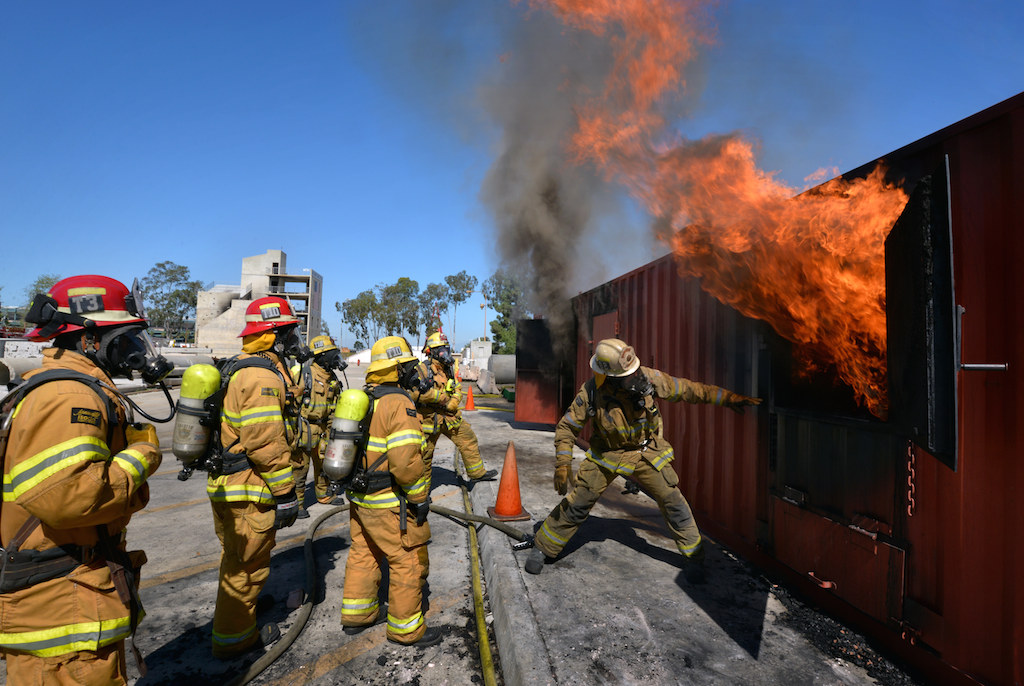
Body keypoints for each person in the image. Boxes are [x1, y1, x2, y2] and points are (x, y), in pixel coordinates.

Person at [0, 275, 169, 685]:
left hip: (70, 589)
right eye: (125, 338)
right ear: (90, 339)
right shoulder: (71, 397)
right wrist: (143, 455)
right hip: (62, 605)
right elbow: (69, 498)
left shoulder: (76, 389)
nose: (135, 348)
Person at [525, 338, 761, 582]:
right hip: (606, 454)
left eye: (634, 370)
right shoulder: (592, 391)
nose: (635, 376)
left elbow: (688, 389)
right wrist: (563, 463)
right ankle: (543, 547)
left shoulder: (649, 378)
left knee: (673, 501)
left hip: (644, 451)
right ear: (609, 376)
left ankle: (694, 558)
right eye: (627, 374)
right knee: (578, 503)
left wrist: (728, 398)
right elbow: (567, 427)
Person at [206, 296, 303, 659]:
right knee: (246, 567)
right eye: (289, 333)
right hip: (248, 487)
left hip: (228, 485)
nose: (294, 340)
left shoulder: (240, 367)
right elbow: (264, 442)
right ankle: (235, 638)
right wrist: (286, 493)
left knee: (236, 558)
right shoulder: (261, 376)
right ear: (273, 335)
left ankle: (240, 614)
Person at [340, 336, 442, 647]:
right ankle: (406, 629)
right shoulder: (399, 403)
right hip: (388, 502)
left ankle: (358, 615)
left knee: (364, 552)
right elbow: (405, 463)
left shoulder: (365, 398)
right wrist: (419, 498)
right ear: (396, 370)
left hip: (360, 497)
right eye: (407, 367)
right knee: (406, 560)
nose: (413, 372)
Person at [412, 332, 496, 482]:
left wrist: (454, 402)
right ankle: (421, 493)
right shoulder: (422, 370)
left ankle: (477, 473)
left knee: (468, 438)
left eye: (446, 349)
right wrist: (442, 399)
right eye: (441, 350)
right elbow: (414, 393)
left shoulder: (447, 369)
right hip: (428, 421)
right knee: (424, 456)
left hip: (449, 418)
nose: (445, 353)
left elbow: (457, 387)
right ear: (432, 352)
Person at [292, 335, 345, 511]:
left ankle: (324, 495)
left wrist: (332, 430)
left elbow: (334, 407)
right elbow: (292, 404)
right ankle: (298, 504)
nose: (335, 357)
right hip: (305, 428)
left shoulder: (332, 378)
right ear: (321, 356)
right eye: (331, 353)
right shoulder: (305, 374)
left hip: (323, 429)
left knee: (323, 464)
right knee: (300, 466)